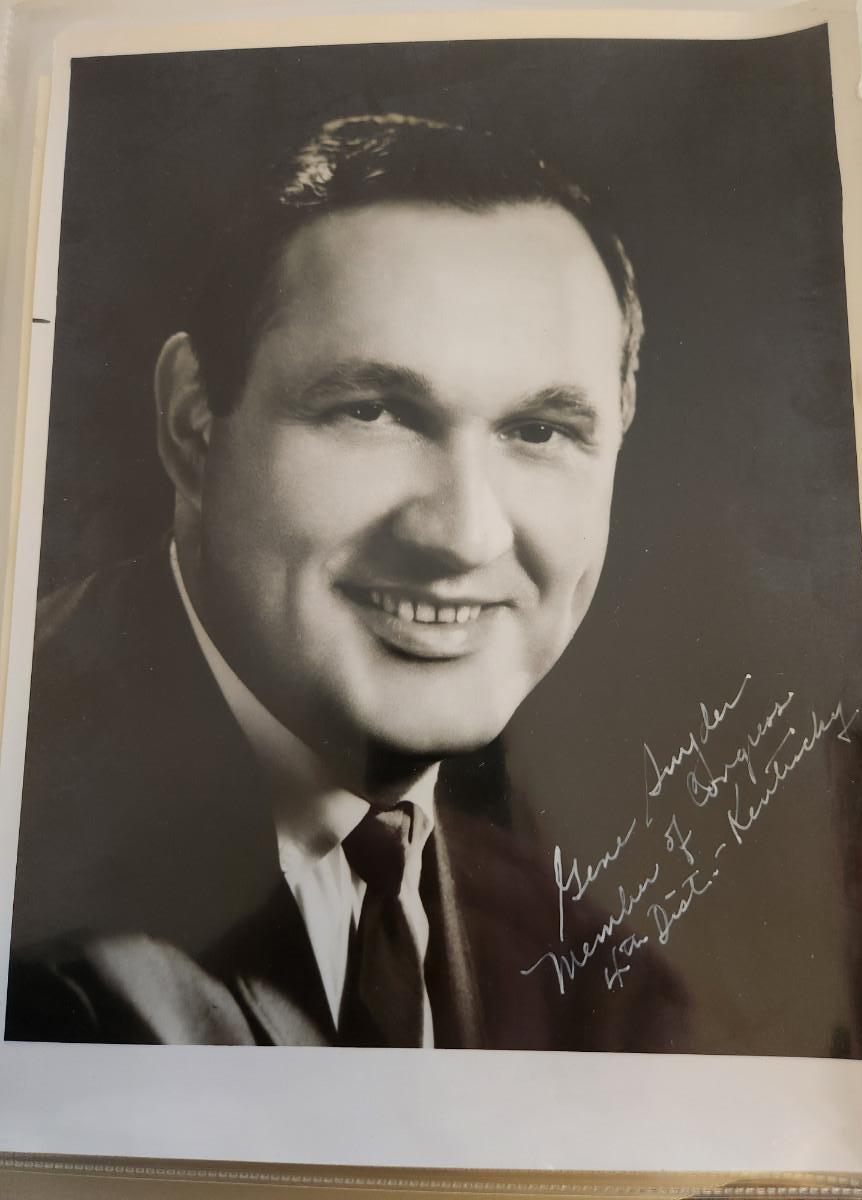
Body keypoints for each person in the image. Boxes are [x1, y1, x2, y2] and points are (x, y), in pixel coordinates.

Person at [5, 114, 687, 1048]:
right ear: (194, 424)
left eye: (540, 432)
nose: (463, 534)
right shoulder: (31, 840)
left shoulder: (594, 979)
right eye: (373, 412)